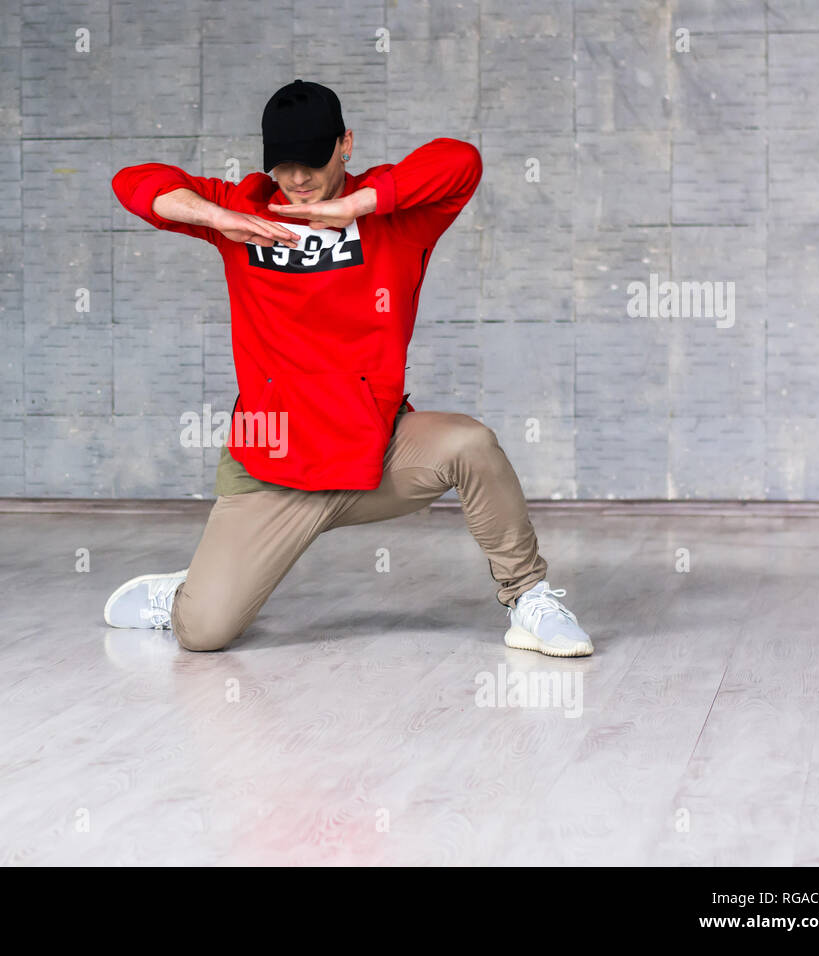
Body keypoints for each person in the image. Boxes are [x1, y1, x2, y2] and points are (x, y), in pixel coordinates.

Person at [103, 79, 593, 658]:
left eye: (312, 161)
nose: (299, 179)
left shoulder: (398, 217)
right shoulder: (243, 212)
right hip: (273, 472)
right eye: (284, 165)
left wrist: (356, 206)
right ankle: (186, 591)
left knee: (470, 444)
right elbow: (132, 182)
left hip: (374, 455)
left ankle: (528, 599)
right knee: (204, 633)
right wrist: (214, 216)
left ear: (346, 144)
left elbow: (461, 160)